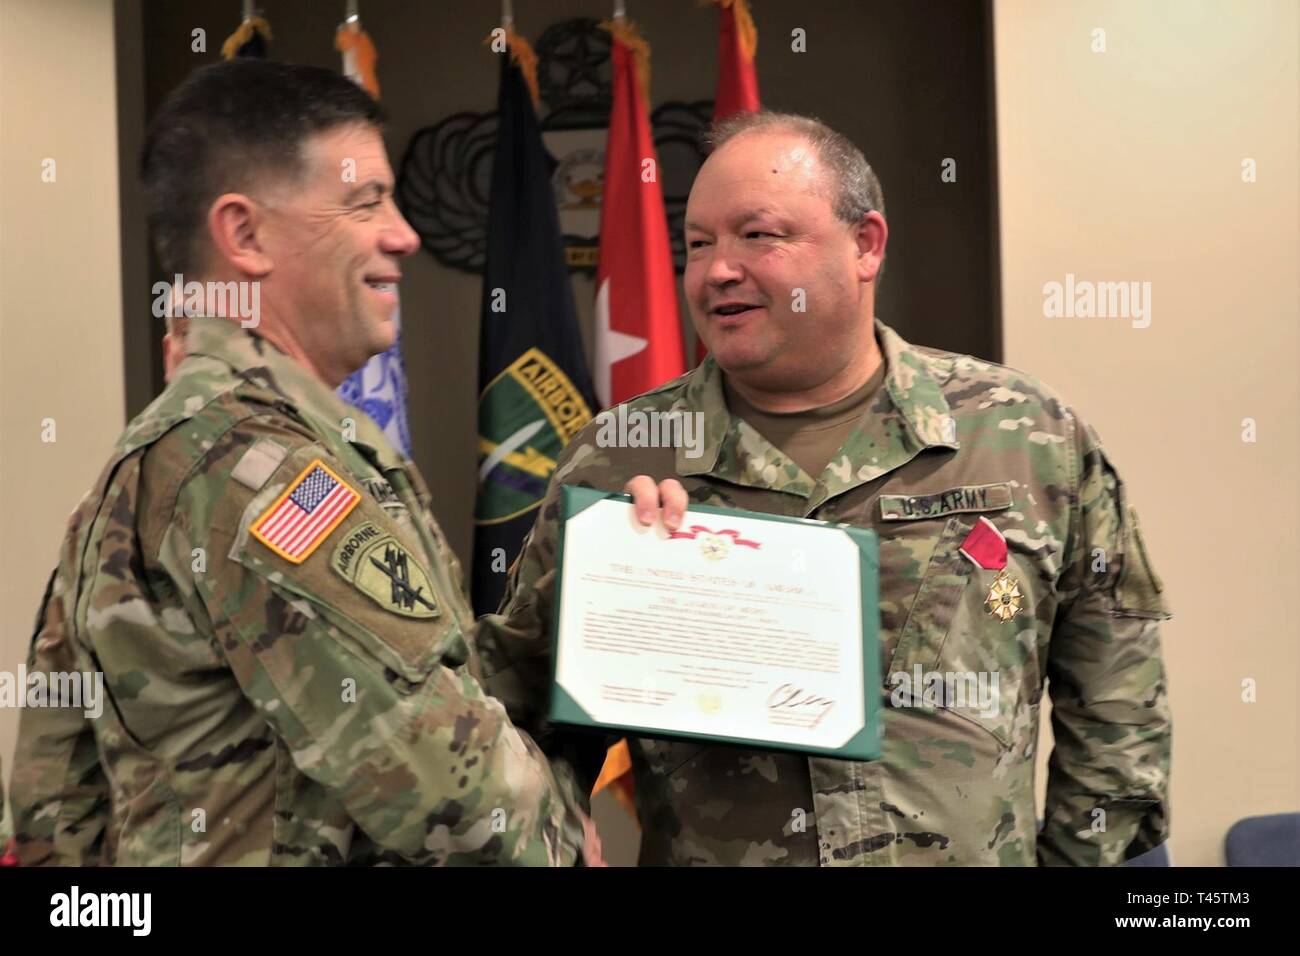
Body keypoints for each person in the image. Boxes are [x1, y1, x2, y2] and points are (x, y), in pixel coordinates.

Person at [478, 111, 1173, 866]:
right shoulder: (618, 463)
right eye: (699, 244)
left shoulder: (1027, 436)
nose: (717, 270)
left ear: (866, 243)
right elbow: (522, 718)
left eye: (759, 235)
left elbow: (1116, 708)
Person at [9, 59, 650, 866]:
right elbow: (460, 799)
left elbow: (51, 810)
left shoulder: (187, 446)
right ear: (244, 235)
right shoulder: (256, 465)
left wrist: (599, 579)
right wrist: (562, 835)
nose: (403, 233)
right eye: (365, 201)